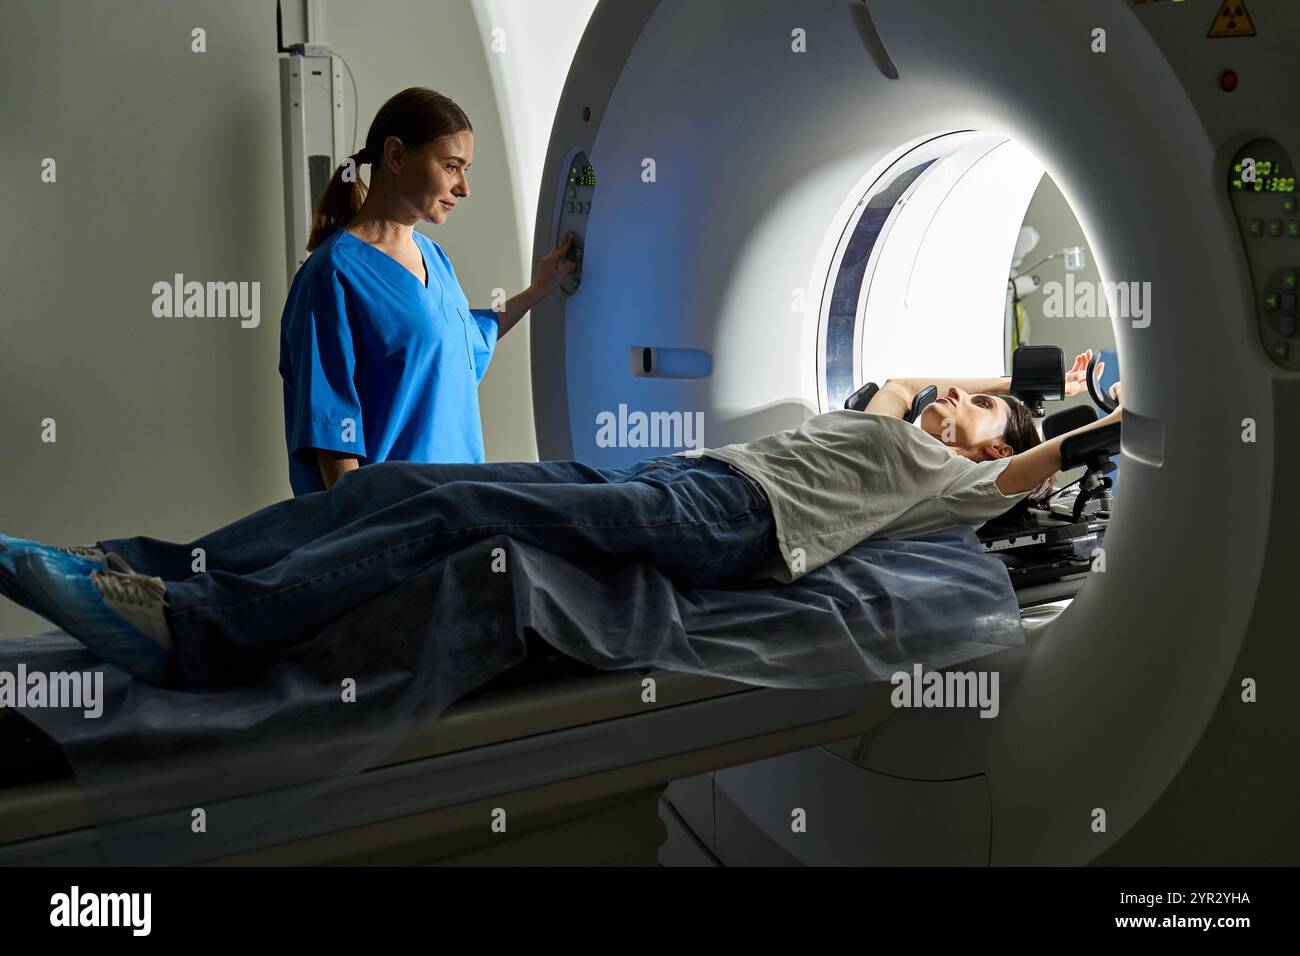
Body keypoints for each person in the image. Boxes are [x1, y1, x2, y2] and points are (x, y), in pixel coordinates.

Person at [0, 361, 1121, 689]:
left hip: (728, 518)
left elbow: (1050, 458)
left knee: (458, 506)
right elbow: (886, 386)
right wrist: (933, 385)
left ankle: (197, 630)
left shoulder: (951, 478)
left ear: (989, 436)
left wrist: (1092, 408)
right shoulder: (881, 413)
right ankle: (137, 571)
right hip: (683, 474)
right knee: (393, 482)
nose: (958, 395)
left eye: (982, 401)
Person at [282, 87, 576, 495]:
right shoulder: (332, 275)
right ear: (397, 155)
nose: (464, 187)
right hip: (391, 523)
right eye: (451, 166)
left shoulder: (434, 258)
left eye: (465, 169)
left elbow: (461, 345)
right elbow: (330, 436)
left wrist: (538, 289)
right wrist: (360, 540)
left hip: (457, 513)